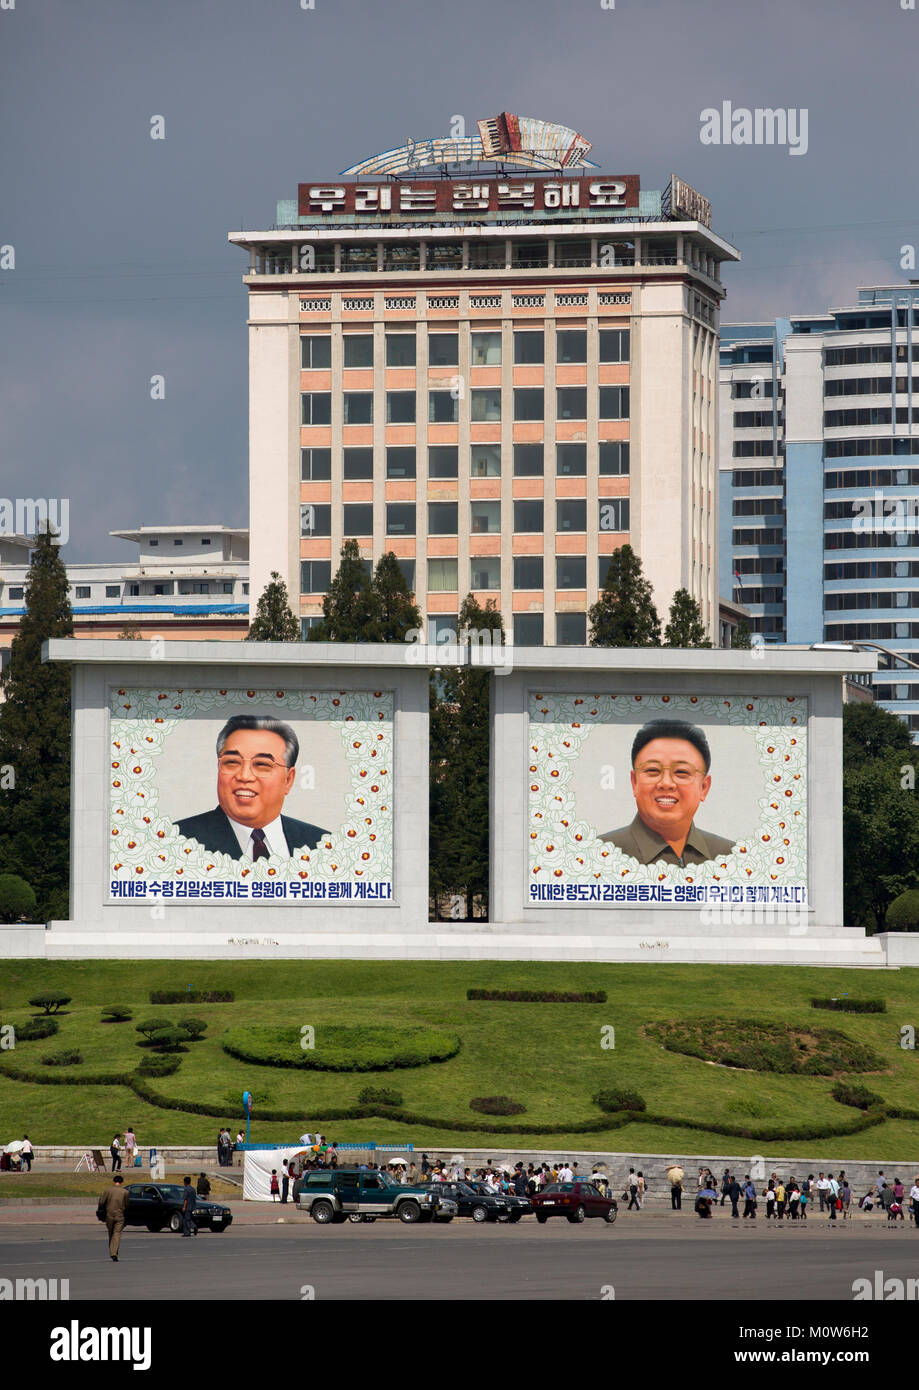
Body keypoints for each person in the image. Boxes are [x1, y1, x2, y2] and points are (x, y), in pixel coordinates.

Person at [174, 715, 327, 858]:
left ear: (288, 779)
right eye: (232, 762)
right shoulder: (176, 841)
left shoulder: (323, 846)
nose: (244, 776)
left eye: (261, 764)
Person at [598, 719, 735, 865]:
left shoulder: (732, 857)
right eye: (652, 770)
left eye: (681, 772)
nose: (666, 783)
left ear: (704, 787)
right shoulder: (599, 854)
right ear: (635, 782)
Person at [99, 1174, 129, 1261]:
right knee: (117, 1234)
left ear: (114, 1181)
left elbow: (101, 1202)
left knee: (111, 1233)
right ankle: (114, 1253)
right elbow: (127, 1204)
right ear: (122, 1182)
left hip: (109, 1215)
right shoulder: (125, 1192)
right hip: (120, 1215)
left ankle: (112, 1252)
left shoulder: (108, 1190)